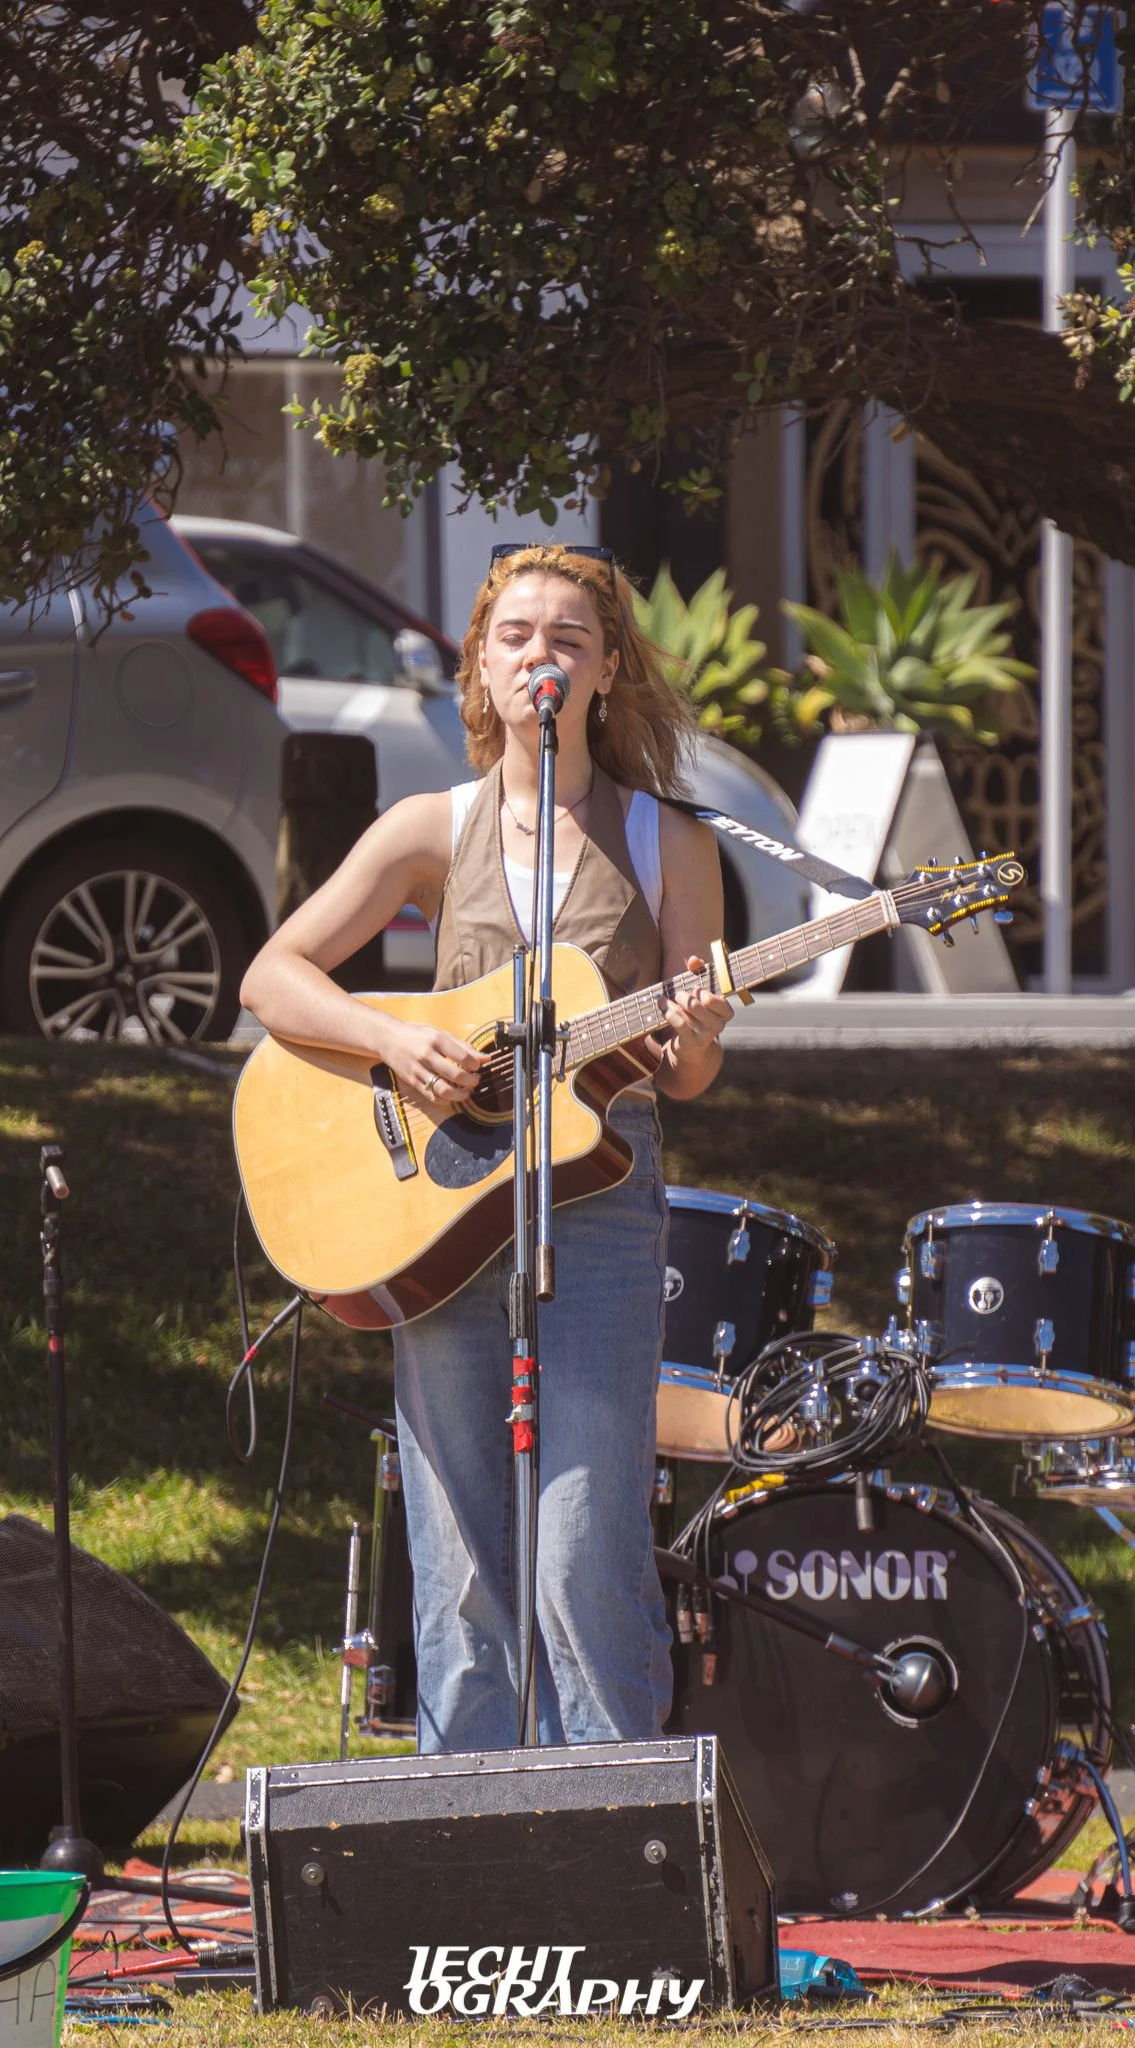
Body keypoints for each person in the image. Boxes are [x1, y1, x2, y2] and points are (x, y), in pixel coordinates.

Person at [240, 542, 733, 1752]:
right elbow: (273, 976)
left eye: (568, 639)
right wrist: (392, 1043)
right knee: (459, 1552)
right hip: (446, 1200)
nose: (539, 657)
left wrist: (704, 1027)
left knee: (581, 1544)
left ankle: (613, 1818)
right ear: (480, 665)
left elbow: (688, 1073)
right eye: (516, 636)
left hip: (602, 1204)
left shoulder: (670, 841)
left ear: (606, 671)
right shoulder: (432, 826)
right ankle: (464, 1816)